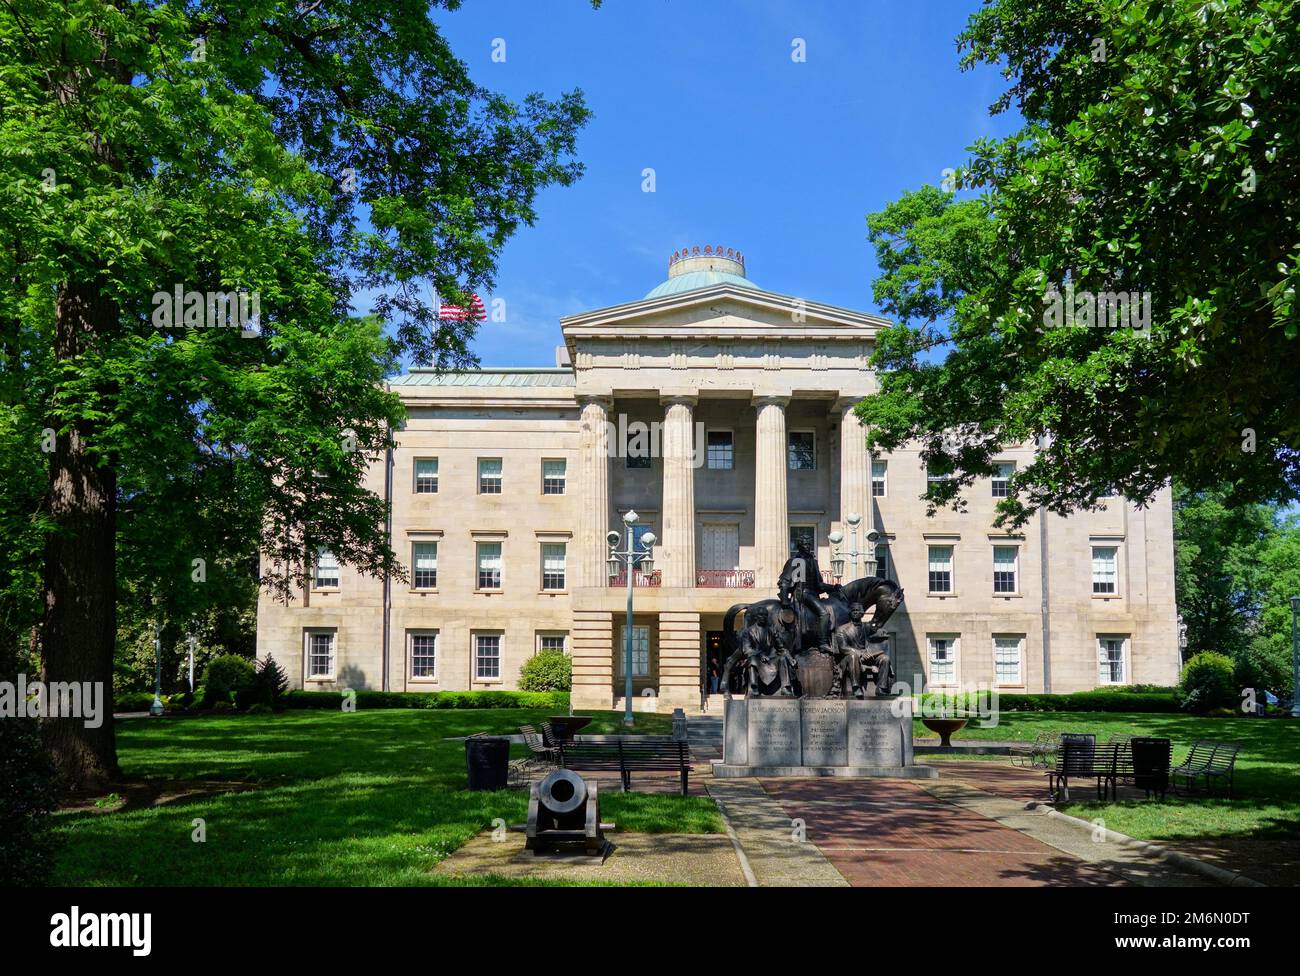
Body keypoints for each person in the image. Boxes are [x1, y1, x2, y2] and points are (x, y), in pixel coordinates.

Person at [777, 540, 838, 653]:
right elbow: (785, 580)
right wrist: (785, 599)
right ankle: (823, 643)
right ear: (799, 546)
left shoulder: (813, 562)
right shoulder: (796, 561)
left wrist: (833, 588)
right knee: (824, 614)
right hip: (803, 593)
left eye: (809, 544)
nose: (808, 546)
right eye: (805, 544)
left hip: (813, 593)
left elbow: (819, 584)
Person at [830, 602, 895, 698]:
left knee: (885, 658)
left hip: (866, 655)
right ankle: (856, 688)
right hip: (848, 657)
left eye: (858, 610)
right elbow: (843, 648)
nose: (855, 612)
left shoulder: (865, 627)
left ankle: (881, 688)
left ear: (862, 613)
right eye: (853, 611)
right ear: (850, 613)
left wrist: (881, 631)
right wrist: (860, 653)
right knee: (853, 656)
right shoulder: (841, 630)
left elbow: (876, 627)